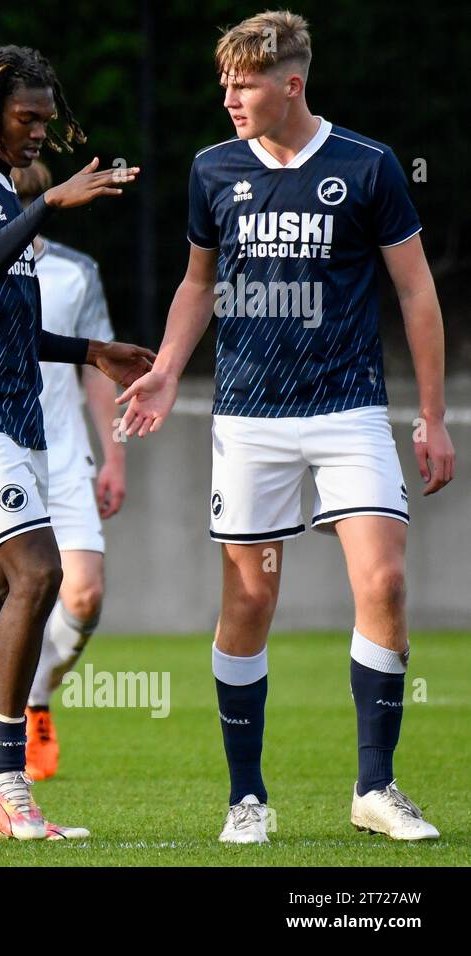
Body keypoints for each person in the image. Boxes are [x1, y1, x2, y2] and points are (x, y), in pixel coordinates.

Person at [118, 11, 453, 843]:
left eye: (245, 83)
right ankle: (247, 798)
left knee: (383, 586)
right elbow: (199, 284)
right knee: (250, 599)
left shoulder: (367, 166)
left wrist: (434, 417)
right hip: (249, 418)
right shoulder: (211, 169)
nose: (229, 97)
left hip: (349, 412)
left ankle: (376, 788)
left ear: (291, 84)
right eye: (225, 82)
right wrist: (165, 366)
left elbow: (415, 291)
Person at [0, 44, 154, 841]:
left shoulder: (0, 192)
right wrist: (46, 209)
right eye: (27, 118)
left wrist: (91, 352)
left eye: (47, 119)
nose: (42, 133)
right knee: (41, 570)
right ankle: (8, 775)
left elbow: (2, 319)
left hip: (15, 419)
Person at [0, 158, 127, 782]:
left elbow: (93, 369)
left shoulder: (76, 273)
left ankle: (35, 693)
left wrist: (113, 454)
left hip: (63, 454)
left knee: (82, 591)